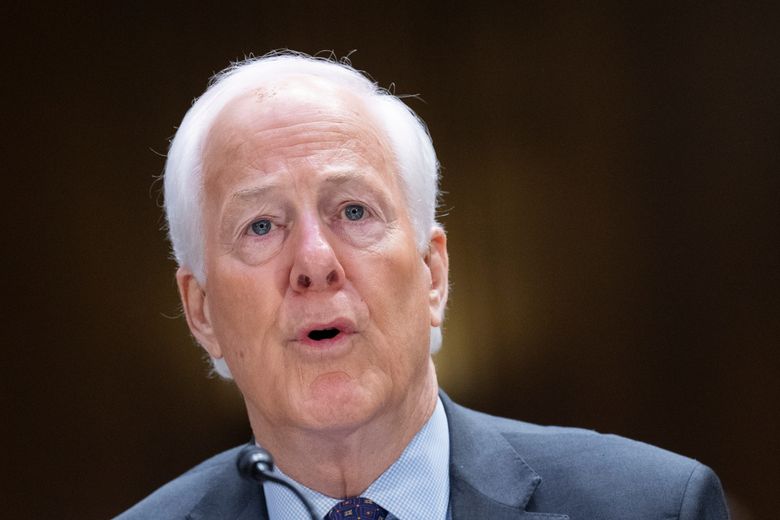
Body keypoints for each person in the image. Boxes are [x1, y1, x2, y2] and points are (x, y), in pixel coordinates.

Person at [117, 51, 729, 519]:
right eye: (260, 226)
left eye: (353, 211)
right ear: (202, 312)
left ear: (433, 275)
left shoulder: (653, 506)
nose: (315, 262)